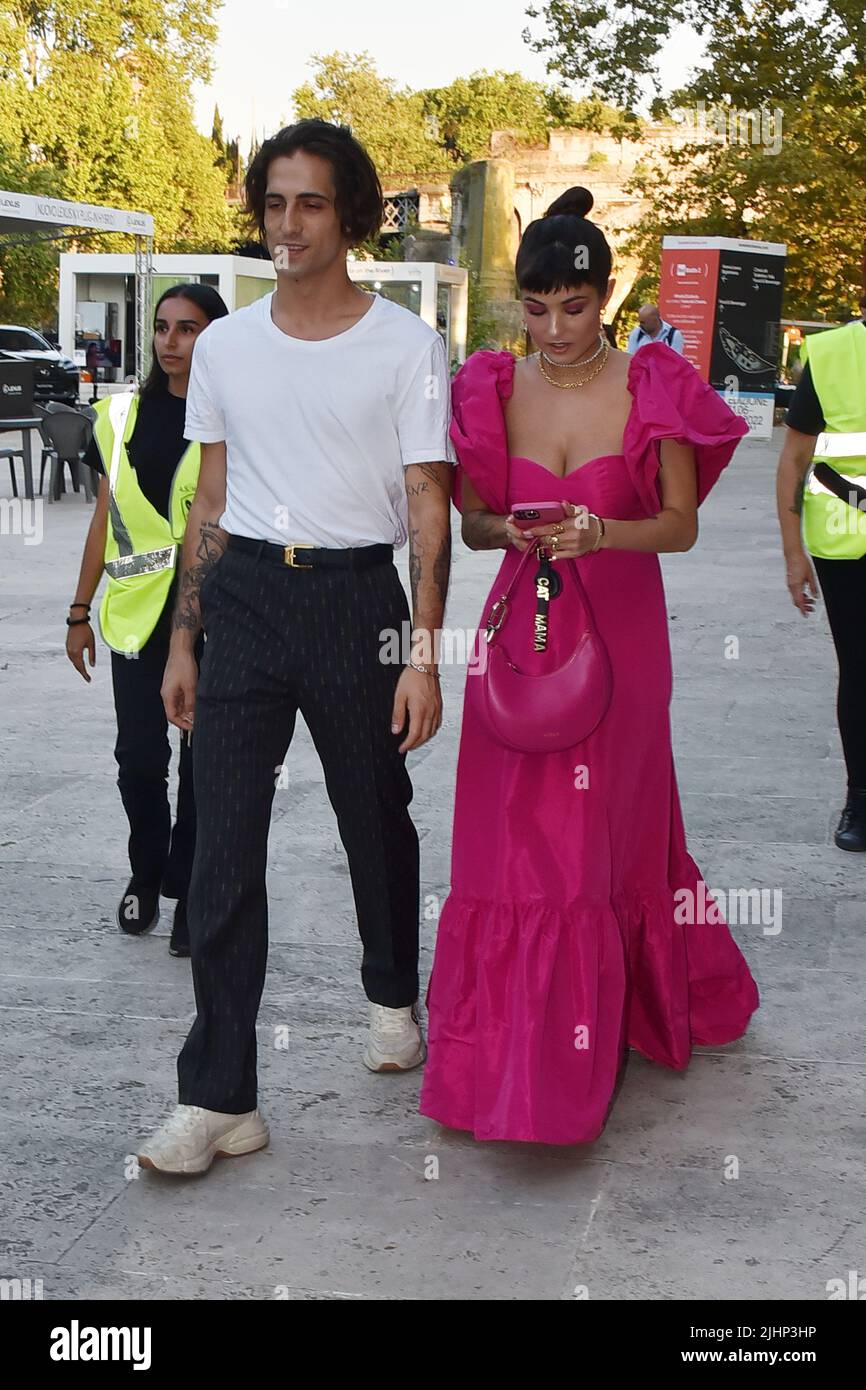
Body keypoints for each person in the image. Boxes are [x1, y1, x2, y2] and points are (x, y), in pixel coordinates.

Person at [137, 118, 454, 1176]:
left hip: (358, 596)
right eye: (272, 203)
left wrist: (420, 652)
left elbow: (425, 507)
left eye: (308, 202)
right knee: (220, 843)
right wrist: (186, 638)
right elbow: (210, 500)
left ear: (349, 212)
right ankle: (219, 1094)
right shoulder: (224, 345)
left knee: (374, 813)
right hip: (245, 601)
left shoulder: (406, 346)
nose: (286, 223)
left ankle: (389, 990)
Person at [419, 186, 759, 1145]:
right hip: (523, 634)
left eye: (574, 308)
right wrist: (514, 528)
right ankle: (512, 1045)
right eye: (535, 309)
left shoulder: (654, 383)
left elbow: (682, 528)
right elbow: (474, 519)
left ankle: (605, 1027)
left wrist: (601, 529)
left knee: (604, 837)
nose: (554, 329)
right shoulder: (487, 386)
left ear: (607, 295)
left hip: (623, 635)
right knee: (507, 838)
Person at [66, 284, 228, 957]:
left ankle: (190, 891)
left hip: (216, 616)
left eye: (187, 329)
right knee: (138, 756)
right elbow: (106, 517)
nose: (170, 341)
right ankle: (145, 868)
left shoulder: (235, 421)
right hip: (135, 617)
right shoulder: (121, 415)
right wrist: (79, 612)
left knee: (203, 764)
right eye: (162, 327)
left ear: (215, 338)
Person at [776, 294, 866, 850]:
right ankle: (860, 800)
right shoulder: (832, 354)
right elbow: (794, 458)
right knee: (859, 670)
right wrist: (793, 554)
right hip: (848, 540)